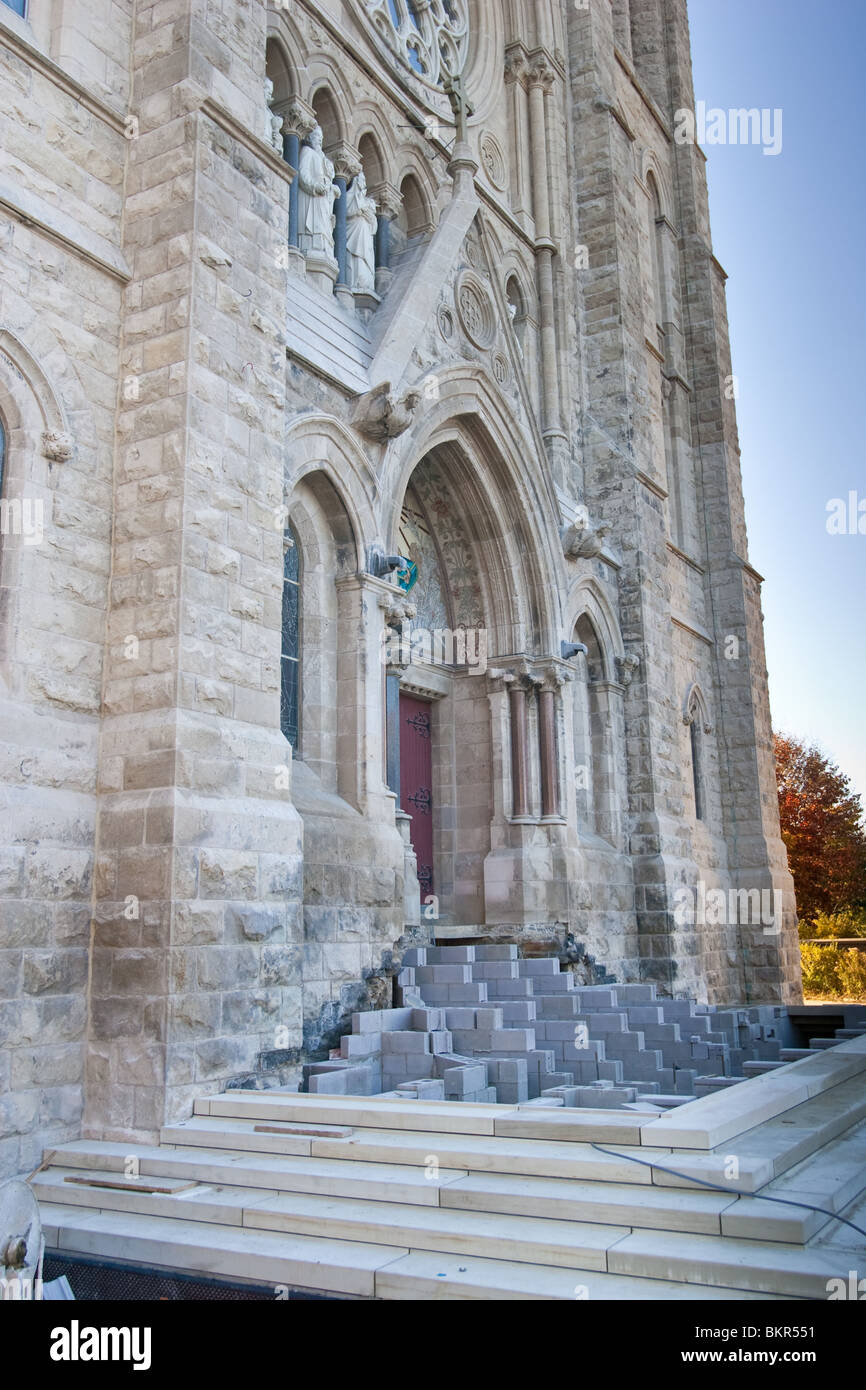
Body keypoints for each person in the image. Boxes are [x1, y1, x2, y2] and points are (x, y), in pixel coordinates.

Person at [298, 125, 336, 258]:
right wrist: (315, 186)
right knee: (313, 228)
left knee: (322, 228)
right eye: (316, 137)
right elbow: (303, 174)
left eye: (321, 138)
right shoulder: (307, 151)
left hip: (322, 200)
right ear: (309, 137)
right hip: (311, 198)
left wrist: (332, 188)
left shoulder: (321, 158)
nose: (319, 140)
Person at [346, 171, 378, 292]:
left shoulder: (367, 201)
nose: (363, 183)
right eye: (361, 180)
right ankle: (354, 281)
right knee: (354, 258)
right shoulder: (350, 196)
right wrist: (358, 211)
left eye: (364, 181)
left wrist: (370, 217)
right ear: (356, 181)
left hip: (365, 235)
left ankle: (364, 283)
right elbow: (345, 212)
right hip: (353, 231)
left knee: (365, 258)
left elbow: (374, 226)